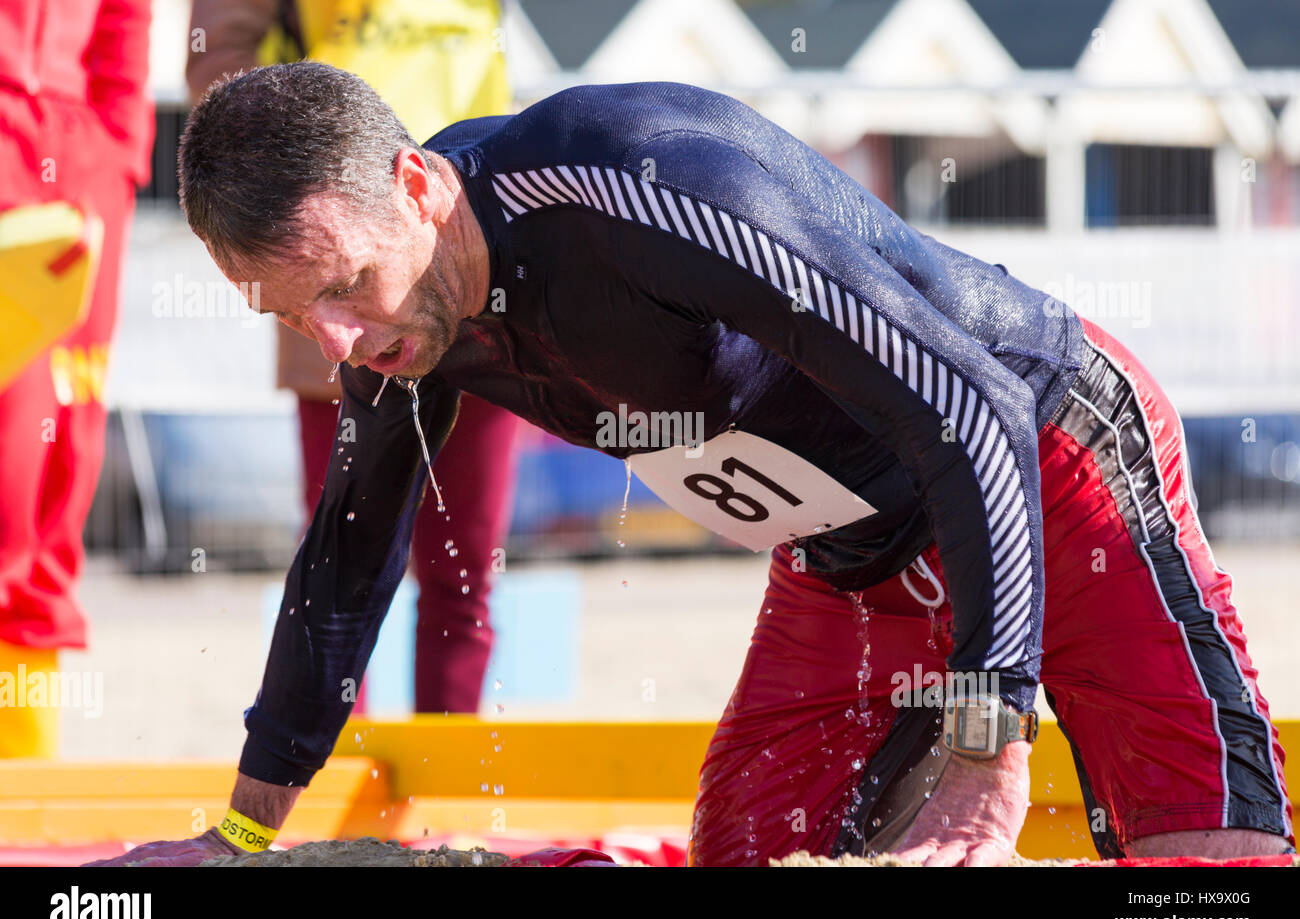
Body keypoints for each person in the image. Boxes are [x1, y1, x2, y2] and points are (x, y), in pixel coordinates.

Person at [91, 64, 1292, 866]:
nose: (339, 343)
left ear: (417, 185)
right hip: (849, 556)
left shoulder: (637, 191)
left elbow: (966, 403)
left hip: (1037, 458)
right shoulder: (398, 328)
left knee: (1205, 871)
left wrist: (990, 741)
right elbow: (345, 560)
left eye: (346, 288)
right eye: (296, 317)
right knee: (750, 853)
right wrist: (239, 842)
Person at [186, 0, 520, 715]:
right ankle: (331, 785)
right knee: (342, 575)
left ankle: (450, 791)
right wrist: (306, 208)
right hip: (337, 279)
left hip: (467, 260)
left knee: (466, 576)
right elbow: (216, 85)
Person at [0, 0, 153, 757]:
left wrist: (119, 145)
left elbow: (125, 20)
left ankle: (22, 767)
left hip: (82, 145)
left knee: (62, 451)